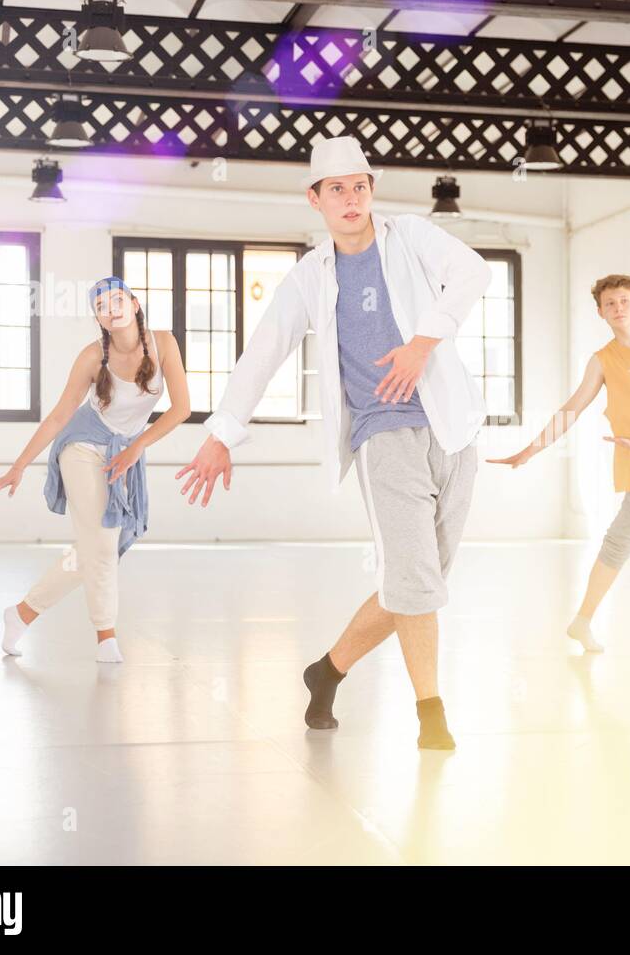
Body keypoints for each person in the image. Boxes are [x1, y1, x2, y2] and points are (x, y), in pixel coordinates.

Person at [175, 136, 490, 750]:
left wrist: (423, 342)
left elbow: (472, 272)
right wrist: (222, 434)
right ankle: (431, 716)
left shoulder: (412, 238)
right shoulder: (309, 277)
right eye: (337, 190)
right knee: (418, 581)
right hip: (383, 433)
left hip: (454, 428)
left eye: (361, 186)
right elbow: (263, 353)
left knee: (417, 581)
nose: (352, 199)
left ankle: (328, 671)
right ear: (315, 200)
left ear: (372, 190)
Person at [489, 274, 630, 656]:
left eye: (624, 300)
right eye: (610, 304)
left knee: (618, 543)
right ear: (601, 313)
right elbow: (571, 409)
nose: (618, 308)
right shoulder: (603, 360)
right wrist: (530, 449)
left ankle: (581, 622)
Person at [0, 277, 189, 662]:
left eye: (116, 299)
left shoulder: (164, 343)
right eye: (101, 306)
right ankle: (105, 637)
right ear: (100, 319)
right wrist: (19, 466)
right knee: (103, 543)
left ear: (134, 302)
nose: (110, 308)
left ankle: (21, 614)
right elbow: (61, 415)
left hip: (124, 451)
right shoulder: (92, 357)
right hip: (80, 447)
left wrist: (136, 449)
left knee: (96, 547)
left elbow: (181, 409)